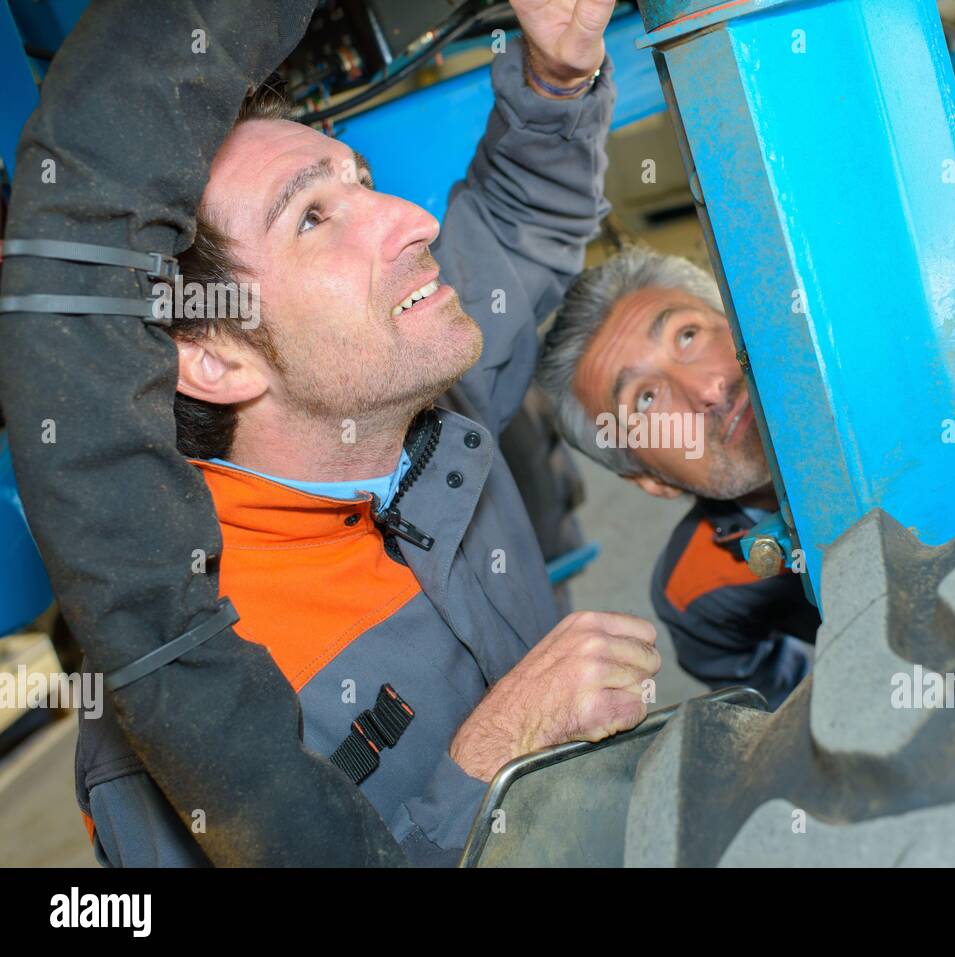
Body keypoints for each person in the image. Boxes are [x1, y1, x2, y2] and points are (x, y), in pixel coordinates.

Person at [75, 0, 662, 868]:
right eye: (312, 216)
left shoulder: (414, 397)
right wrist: (482, 770)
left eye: (358, 178)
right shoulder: (170, 718)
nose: (412, 219)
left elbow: (514, 222)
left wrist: (559, 71)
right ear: (215, 357)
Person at [536, 245, 955, 708]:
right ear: (651, 479)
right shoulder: (699, 591)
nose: (706, 387)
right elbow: (776, 714)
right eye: (645, 400)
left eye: (689, 334)